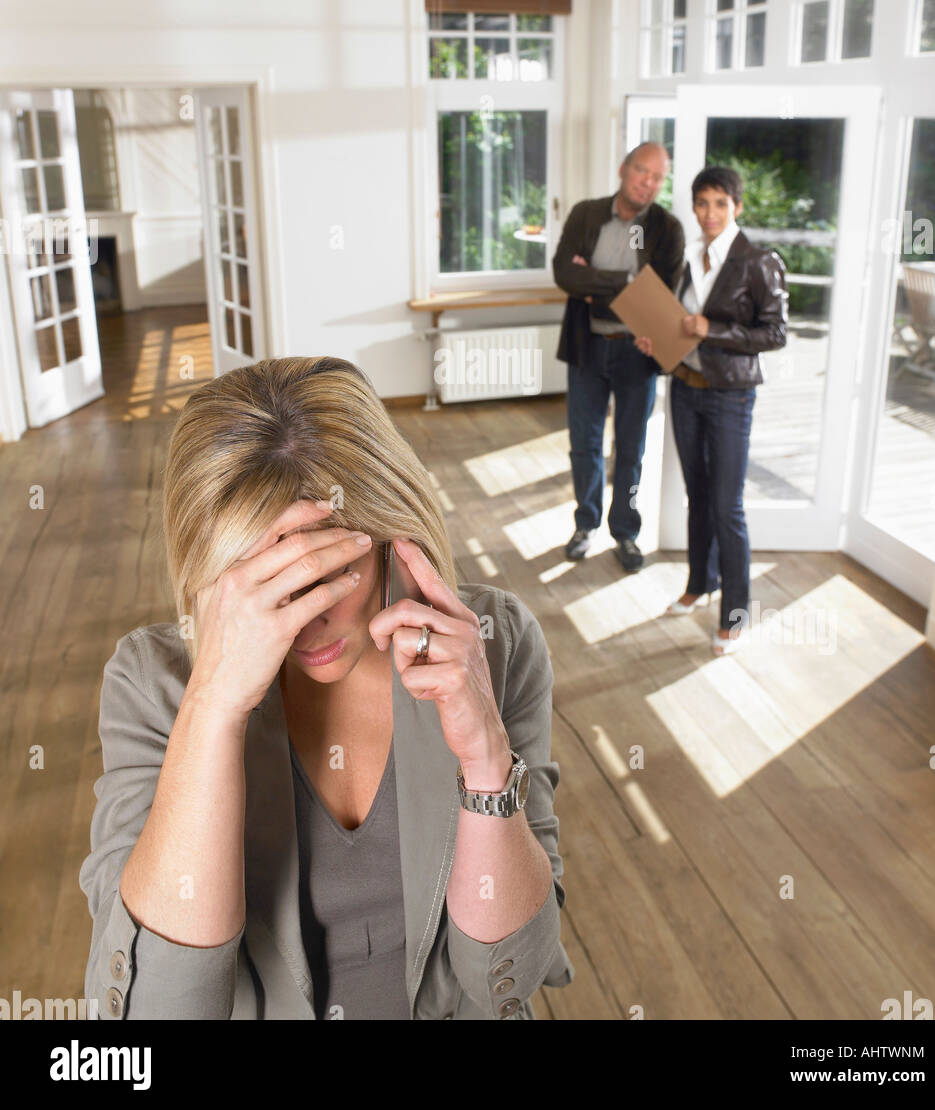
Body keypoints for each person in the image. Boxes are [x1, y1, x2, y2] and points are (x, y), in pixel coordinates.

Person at [80, 356, 574, 1020]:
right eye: (268, 586)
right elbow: (158, 1011)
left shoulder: (493, 639)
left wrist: (488, 766)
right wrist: (214, 710)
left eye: (326, 572)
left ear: (388, 536)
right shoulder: (152, 682)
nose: (303, 620)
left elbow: (506, 980)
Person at [648, 165, 788, 654]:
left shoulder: (758, 261)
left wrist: (714, 329)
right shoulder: (690, 256)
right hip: (686, 387)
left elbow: (775, 333)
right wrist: (659, 336)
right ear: (693, 207)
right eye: (702, 203)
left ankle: (736, 611)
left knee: (727, 505)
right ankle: (699, 584)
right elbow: (683, 323)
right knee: (698, 495)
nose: (710, 213)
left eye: (720, 204)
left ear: (737, 207)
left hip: (730, 395)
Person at [553, 142, 685, 573]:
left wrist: (593, 283)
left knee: (631, 449)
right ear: (623, 169)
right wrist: (627, 280)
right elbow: (564, 273)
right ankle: (585, 524)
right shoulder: (585, 214)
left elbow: (660, 295)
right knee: (584, 444)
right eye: (642, 172)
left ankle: (625, 531)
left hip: (637, 352)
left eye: (657, 176)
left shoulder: (667, 229)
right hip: (587, 345)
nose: (648, 183)